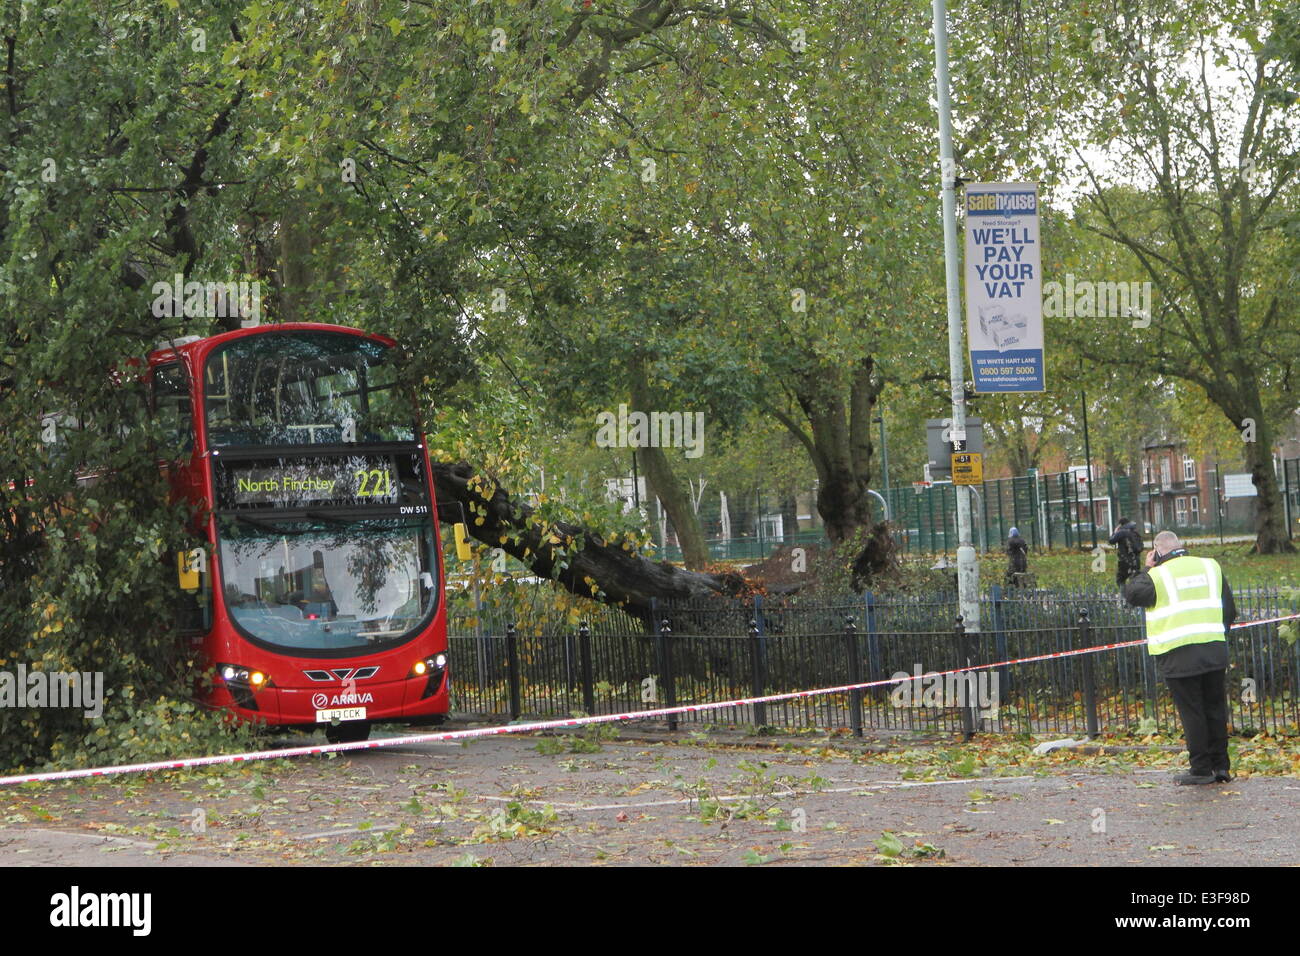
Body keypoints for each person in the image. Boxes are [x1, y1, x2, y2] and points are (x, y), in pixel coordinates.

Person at [1123, 530, 1237, 785]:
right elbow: (1229, 610)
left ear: (1157, 552)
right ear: (1180, 547)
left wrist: (1146, 568)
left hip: (1178, 654)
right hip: (1214, 649)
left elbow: (1132, 595)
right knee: (1215, 709)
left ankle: (1200, 769)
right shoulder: (1210, 567)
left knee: (1192, 711)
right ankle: (1221, 767)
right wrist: (1216, 633)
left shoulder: (1158, 575)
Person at [1108, 517, 1144, 589]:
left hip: (1125, 560)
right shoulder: (1135, 531)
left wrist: (1115, 532)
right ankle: (1135, 594)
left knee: (1120, 579)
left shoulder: (1121, 532)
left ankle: (1125, 596)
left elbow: (1111, 541)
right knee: (1135, 579)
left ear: (1121, 524)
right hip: (1136, 560)